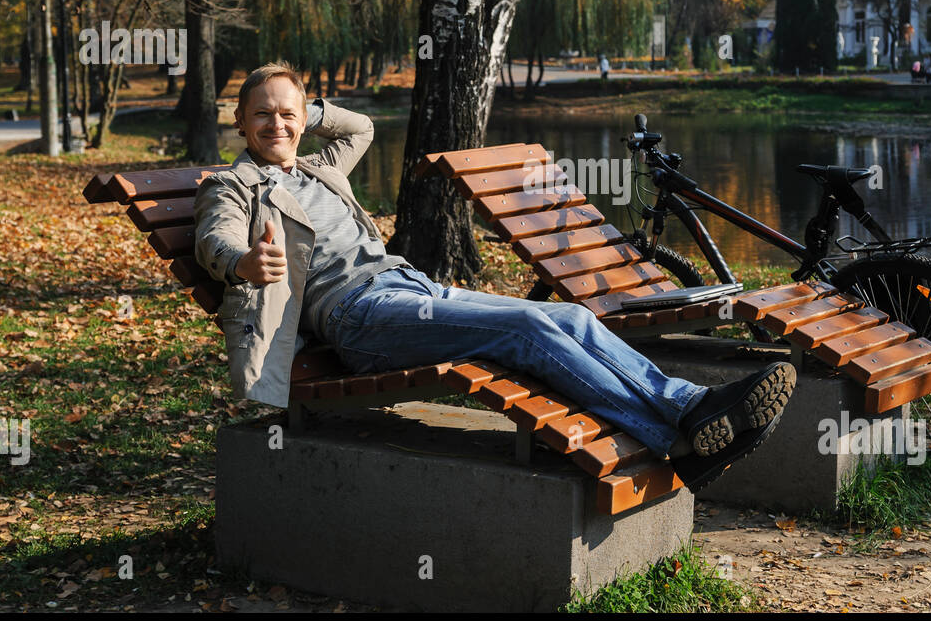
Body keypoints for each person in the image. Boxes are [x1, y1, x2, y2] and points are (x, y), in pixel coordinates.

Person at [194, 62, 795, 492]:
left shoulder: (321, 167)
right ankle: (683, 426)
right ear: (241, 125)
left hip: (410, 287)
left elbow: (362, 129)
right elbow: (211, 239)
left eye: (287, 114)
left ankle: (689, 411)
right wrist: (242, 263)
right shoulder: (234, 184)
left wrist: (306, 106)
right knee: (529, 327)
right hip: (358, 316)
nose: (277, 124)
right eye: (262, 116)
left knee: (571, 315)